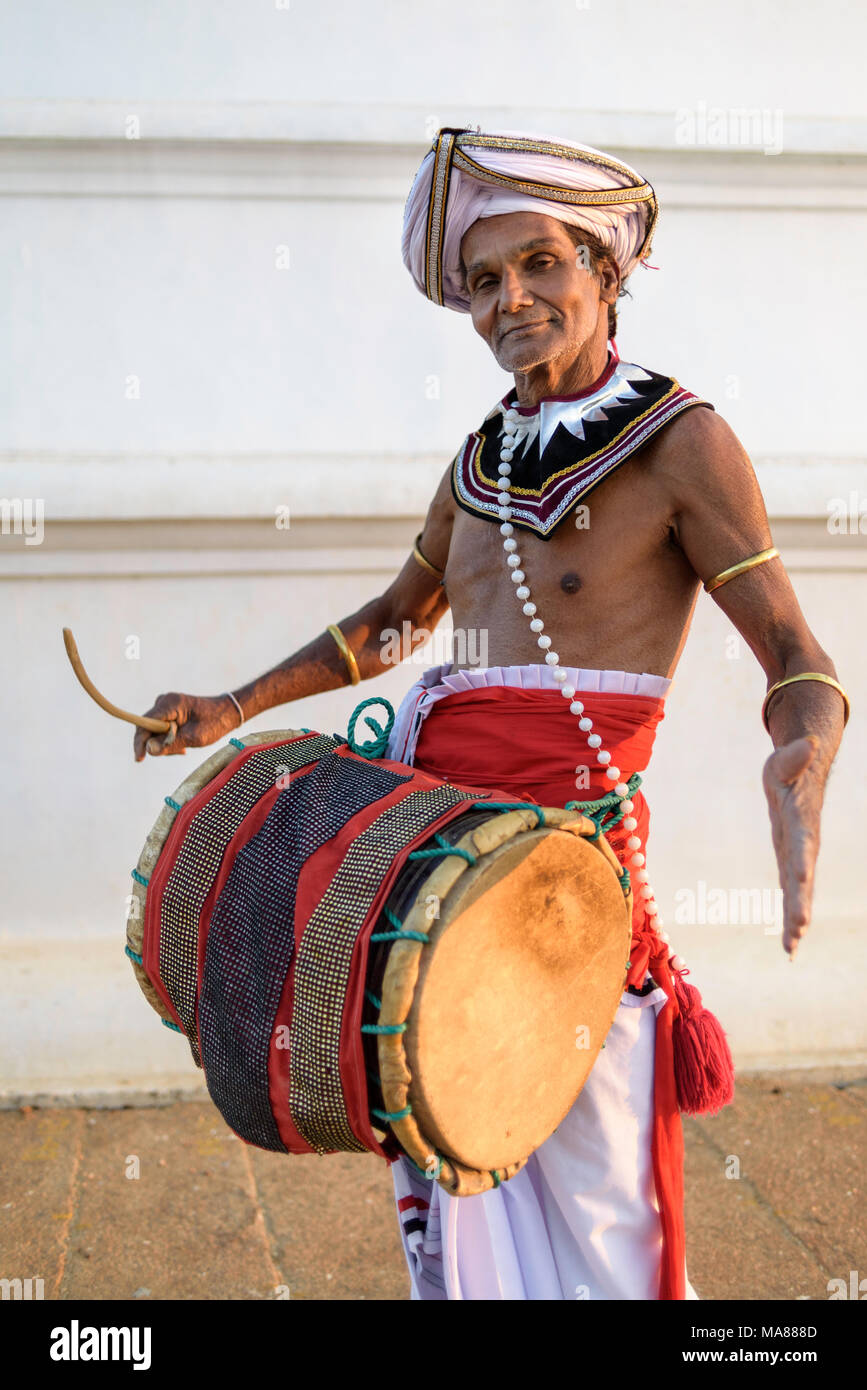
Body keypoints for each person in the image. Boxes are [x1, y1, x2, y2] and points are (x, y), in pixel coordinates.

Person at [133, 128, 848, 1300]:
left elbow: (797, 655)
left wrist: (804, 750)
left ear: (605, 273)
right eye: (482, 281)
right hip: (426, 862)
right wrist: (233, 704)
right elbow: (391, 622)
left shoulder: (682, 443)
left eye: (541, 265)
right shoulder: (476, 459)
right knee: (454, 1156)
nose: (511, 298)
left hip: (562, 877)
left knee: (602, 1189)